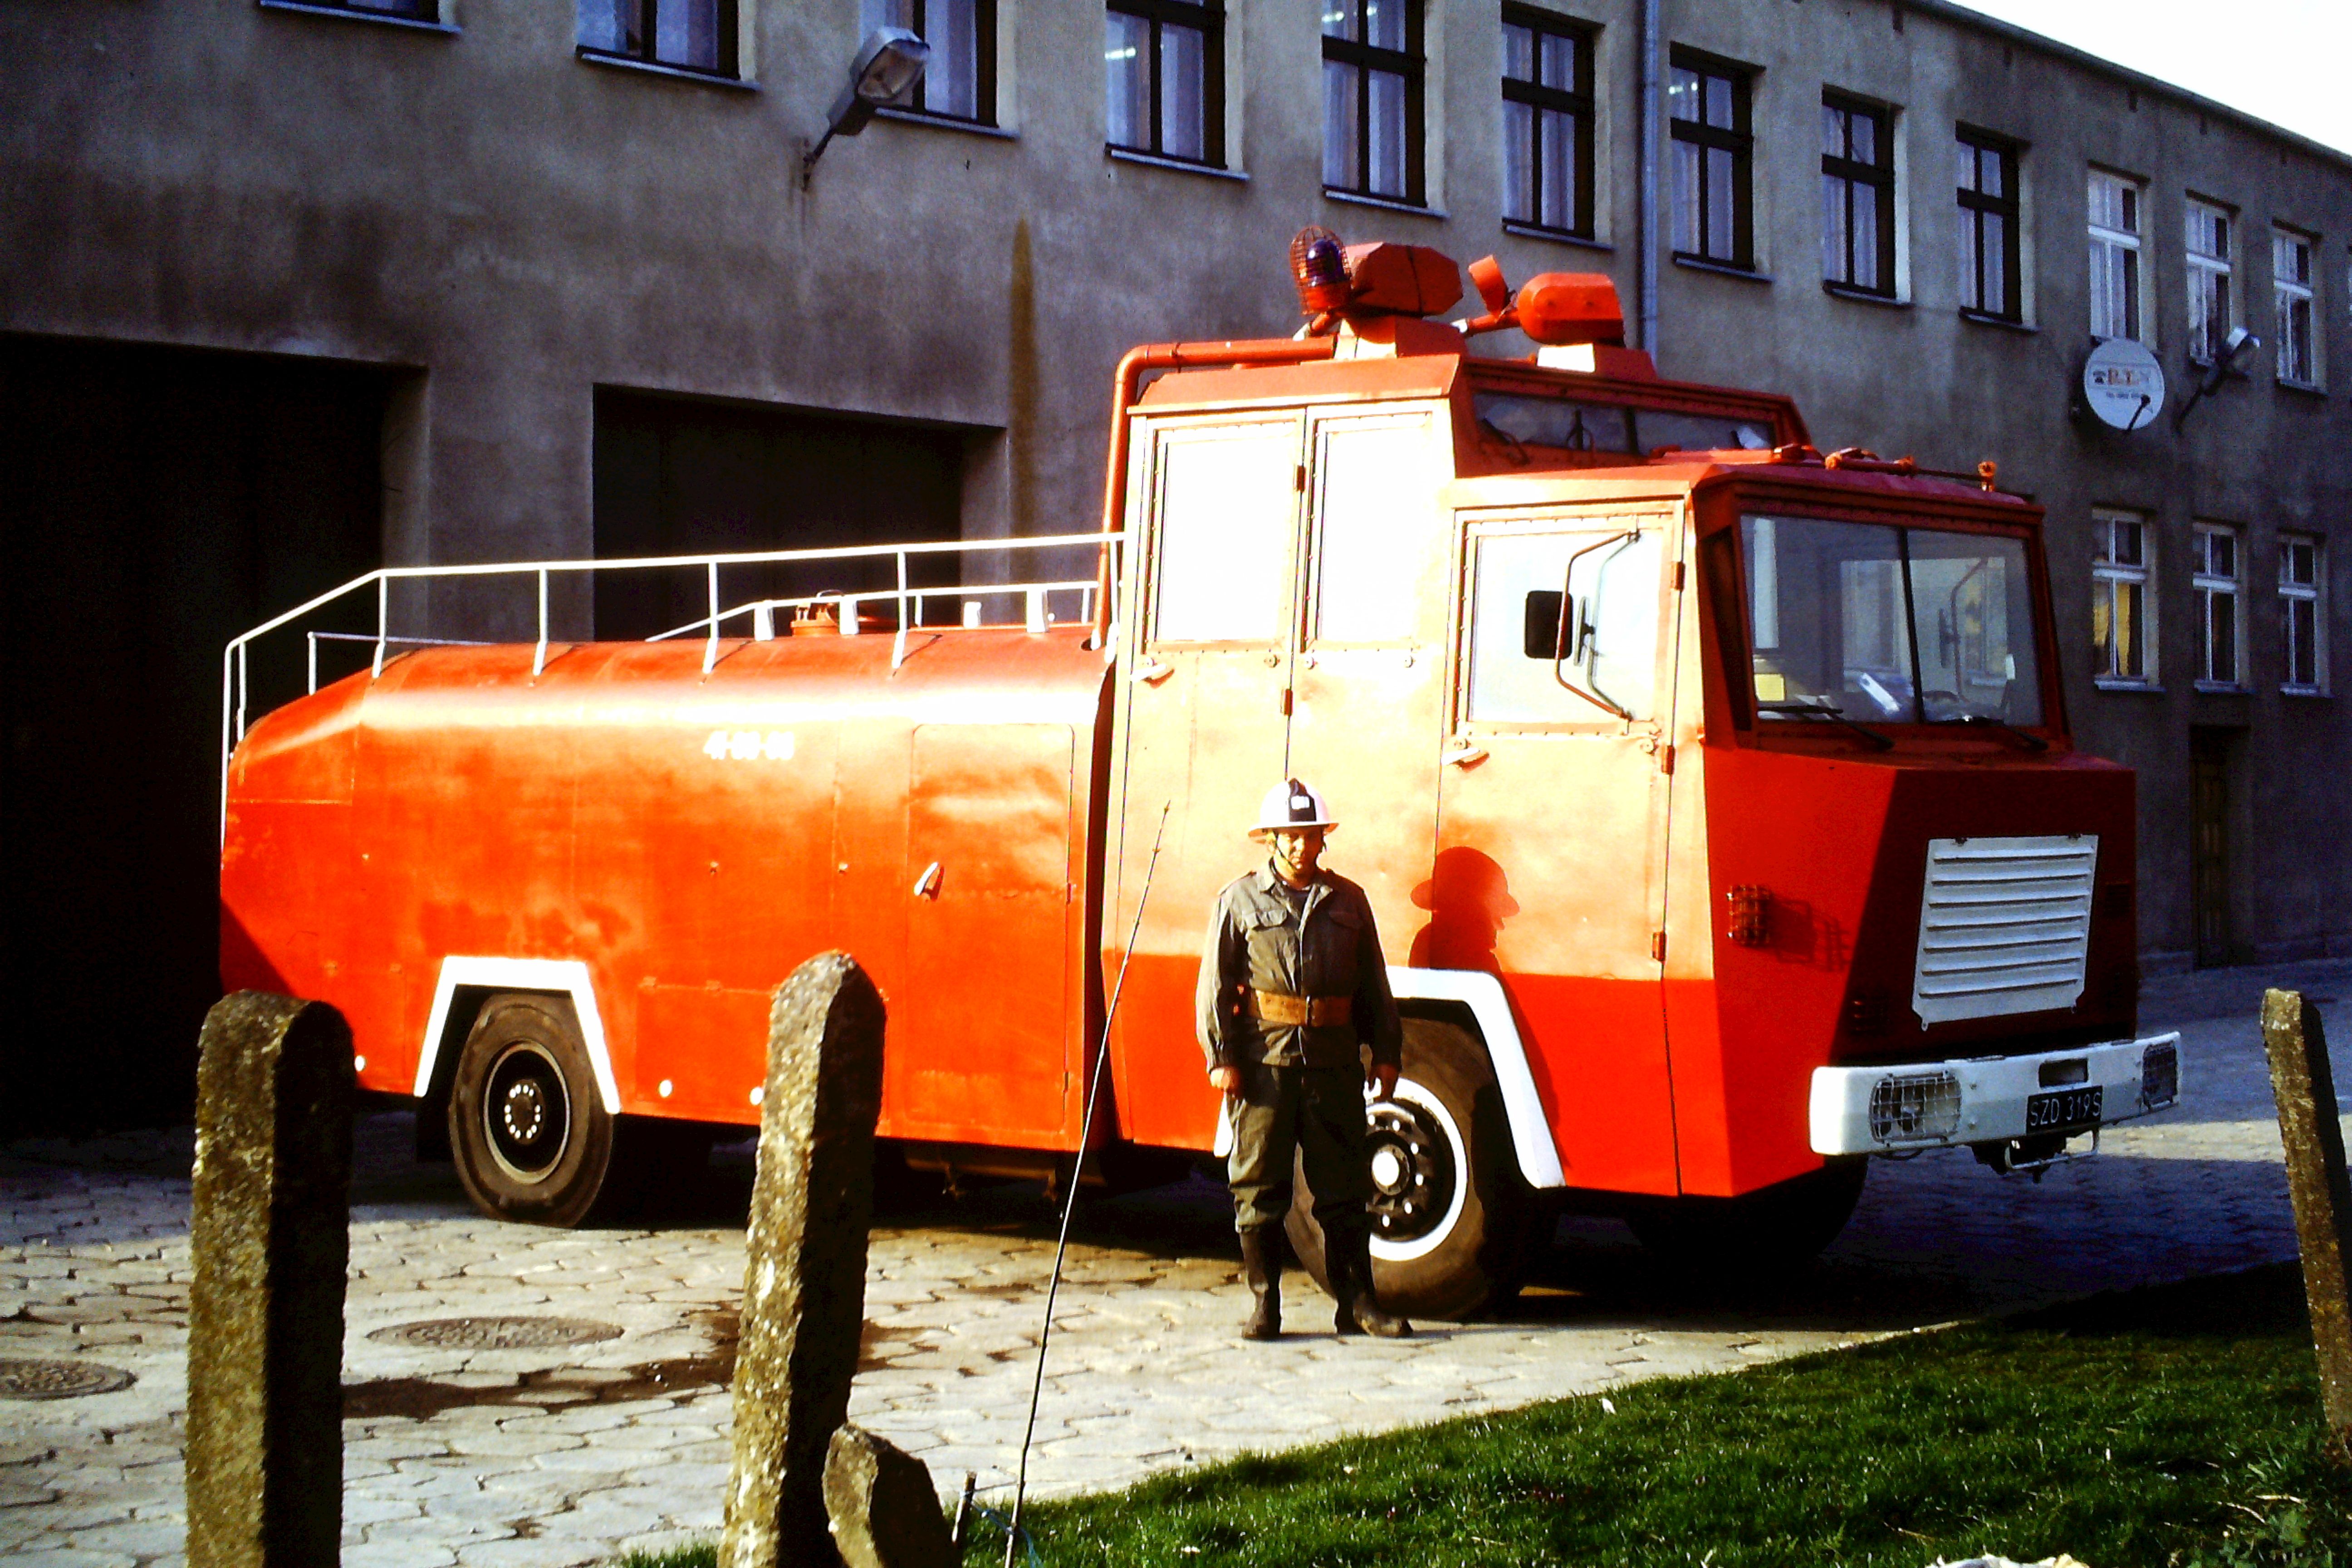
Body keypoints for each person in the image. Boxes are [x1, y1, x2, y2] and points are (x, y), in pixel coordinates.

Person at [1195, 778, 1411, 1341]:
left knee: (1344, 1190)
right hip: (1265, 1065)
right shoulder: (1239, 900)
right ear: (1271, 839)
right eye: (1290, 836)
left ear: (1322, 840)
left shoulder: (1349, 901)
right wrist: (1221, 1056)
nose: (1299, 847)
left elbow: (1374, 984)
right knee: (1259, 1189)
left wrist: (1386, 1053)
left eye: (1309, 836)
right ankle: (1265, 1306)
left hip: (1333, 1066)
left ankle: (1358, 1305)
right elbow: (1214, 985)